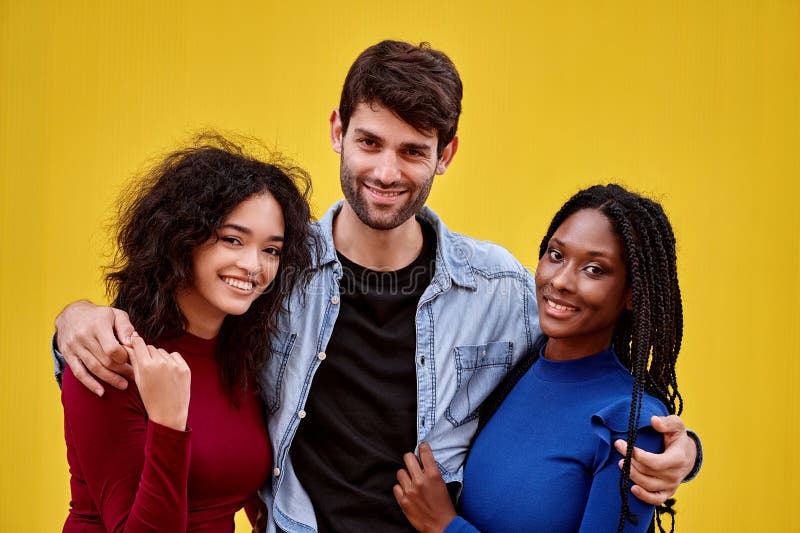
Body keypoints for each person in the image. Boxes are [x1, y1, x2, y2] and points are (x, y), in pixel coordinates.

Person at [52, 42, 701, 533]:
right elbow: (174, 328)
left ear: (445, 154)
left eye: (413, 150)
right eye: (369, 141)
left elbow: (581, 384)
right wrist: (73, 321)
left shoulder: (501, 289)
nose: (386, 171)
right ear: (338, 131)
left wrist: (680, 451)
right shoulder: (274, 268)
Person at [394, 184, 686, 533]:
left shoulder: (628, 422)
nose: (560, 281)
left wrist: (445, 526)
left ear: (632, 294)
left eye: (594, 269)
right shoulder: (512, 368)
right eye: (556, 255)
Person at [60, 134, 315, 531]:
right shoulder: (111, 357)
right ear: (183, 238)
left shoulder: (241, 355)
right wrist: (167, 423)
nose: (254, 265)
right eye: (233, 239)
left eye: (271, 250)